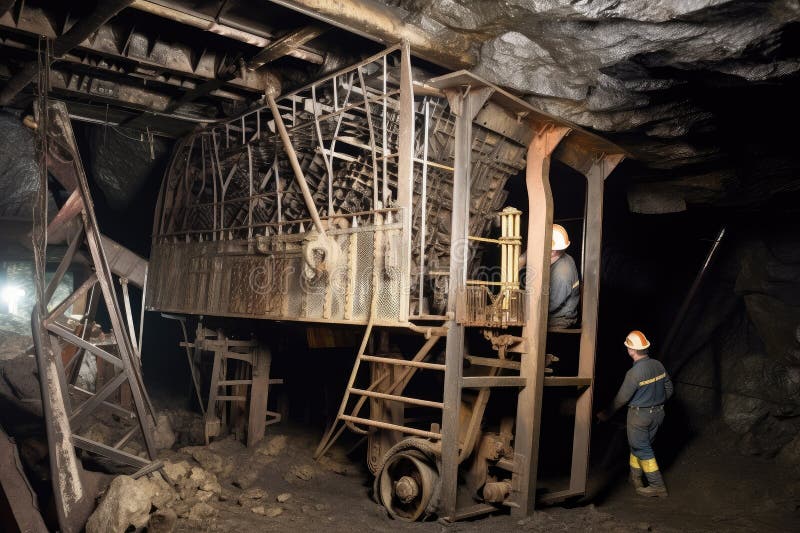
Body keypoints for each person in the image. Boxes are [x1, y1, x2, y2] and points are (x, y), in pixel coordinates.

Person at [597, 330, 673, 497]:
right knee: (638, 446)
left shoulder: (634, 373)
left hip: (639, 417)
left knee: (642, 448)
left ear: (631, 350)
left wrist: (606, 414)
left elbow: (621, 399)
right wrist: (657, 401)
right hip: (658, 414)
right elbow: (669, 388)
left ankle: (657, 485)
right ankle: (636, 477)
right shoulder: (658, 365)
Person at [548, 224, 580, 328]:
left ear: (553, 251)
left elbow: (550, 305)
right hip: (555, 316)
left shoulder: (561, 273)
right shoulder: (565, 257)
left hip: (559, 321)